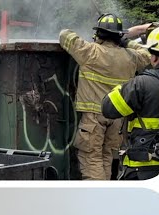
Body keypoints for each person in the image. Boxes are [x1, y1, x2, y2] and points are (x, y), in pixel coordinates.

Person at [58, 14, 152, 180]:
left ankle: (97, 192)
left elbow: (65, 35)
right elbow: (147, 54)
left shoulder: (90, 51)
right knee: (107, 156)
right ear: (119, 36)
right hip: (117, 117)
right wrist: (127, 42)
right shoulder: (130, 57)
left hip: (94, 117)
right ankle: (106, 190)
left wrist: (94, 39)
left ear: (99, 34)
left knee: (91, 157)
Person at [101, 24, 159, 180]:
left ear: (154, 57)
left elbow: (108, 108)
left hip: (142, 170)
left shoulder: (142, 83)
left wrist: (124, 86)